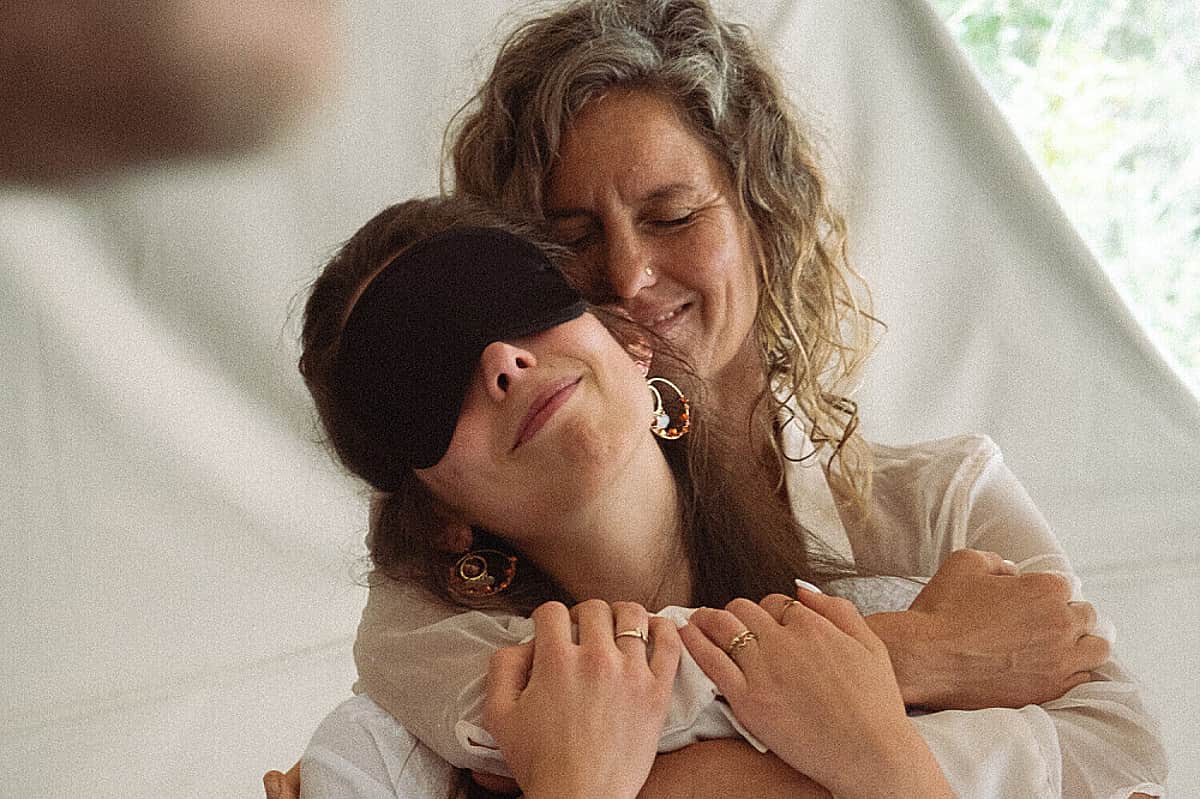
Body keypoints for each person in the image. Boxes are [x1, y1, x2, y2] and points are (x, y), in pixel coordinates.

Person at [267, 1, 1166, 796]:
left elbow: (1119, 758)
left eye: (671, 215)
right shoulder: (418, 656)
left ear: (760, 217)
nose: (629, 271)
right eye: (570, 241)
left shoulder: (942, 516)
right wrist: (916, 658)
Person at [292, 193, 960, 798]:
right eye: (424, 381)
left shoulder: (929, 616)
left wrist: (888, 756)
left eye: (506, 298)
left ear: (628, 338)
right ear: (438, 516)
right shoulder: (376, 764)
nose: (502, 361)